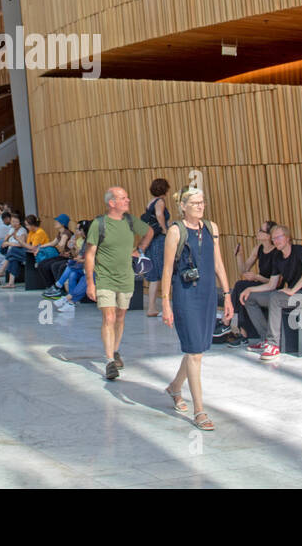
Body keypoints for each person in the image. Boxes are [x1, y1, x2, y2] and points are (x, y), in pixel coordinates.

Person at [160, 187, 232, 431]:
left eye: (202, 202)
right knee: (195, 353)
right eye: (195, 203)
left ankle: (174, 388)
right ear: (183, 206)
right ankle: (199, 411)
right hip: (185, 294)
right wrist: (166, 302)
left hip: (207, 294)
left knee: (197, 349)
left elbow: (218, 262)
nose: (200, 207)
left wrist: (228, 294)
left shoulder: (212, 228)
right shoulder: (175, 231)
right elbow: (167, 269)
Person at [83, 187, 153, 380]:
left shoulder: (131, 221)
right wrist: (91, 282)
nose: (128, 200)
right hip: (105, 277)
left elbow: (149, 232)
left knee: (121, 316)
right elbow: (89, 255)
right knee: (109, 317)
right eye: (123, 198)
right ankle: (108, 361)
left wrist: (140, 249)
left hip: (126, 277)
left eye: (127, 197)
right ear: (111, 203)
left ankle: (115, 351)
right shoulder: (99, 225)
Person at [237, 224, 302, 362]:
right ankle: (265, 339)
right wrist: (250, 289)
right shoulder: (278, 257)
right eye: (274, 239)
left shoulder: (299, 250)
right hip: (289, 295)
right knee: (250, 298)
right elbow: (271, 284)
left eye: (279, 237)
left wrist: (293, 290)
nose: (276, 241)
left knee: (275, 297)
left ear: (287, 238)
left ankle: (273, 345)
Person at [226, 222, 277, 344]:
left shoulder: (276, 252)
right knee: (241, 286)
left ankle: (229, 322)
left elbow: (275, 282)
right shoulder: (258, 248)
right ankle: (240, 329)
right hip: (260, 283)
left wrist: (257, 277)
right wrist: (239, 256)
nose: (258, 232)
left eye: (261, 230)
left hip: (270, 286)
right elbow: (244, 270)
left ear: (269, 236)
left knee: (241, 287)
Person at [141, 178, 171, 317]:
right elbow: (159, 215)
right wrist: (165, 229)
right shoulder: (160, 202)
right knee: (162, 270)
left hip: (150, 239)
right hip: (159, 239)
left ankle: (152, 307)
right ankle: (162, 305)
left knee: (154, 275)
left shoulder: (150, 202)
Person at [2, 214, 51, 288]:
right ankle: (11, 283)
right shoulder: (31, 232)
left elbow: (33, 248)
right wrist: (19, 240)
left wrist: (19, 241)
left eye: (27, 225)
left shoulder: (39, 232)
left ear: (33, 225)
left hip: (39, 254)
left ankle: (2, 270)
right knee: (13, 257)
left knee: (13, 251)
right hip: (31, 253)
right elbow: (27, 246)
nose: (26, 227)